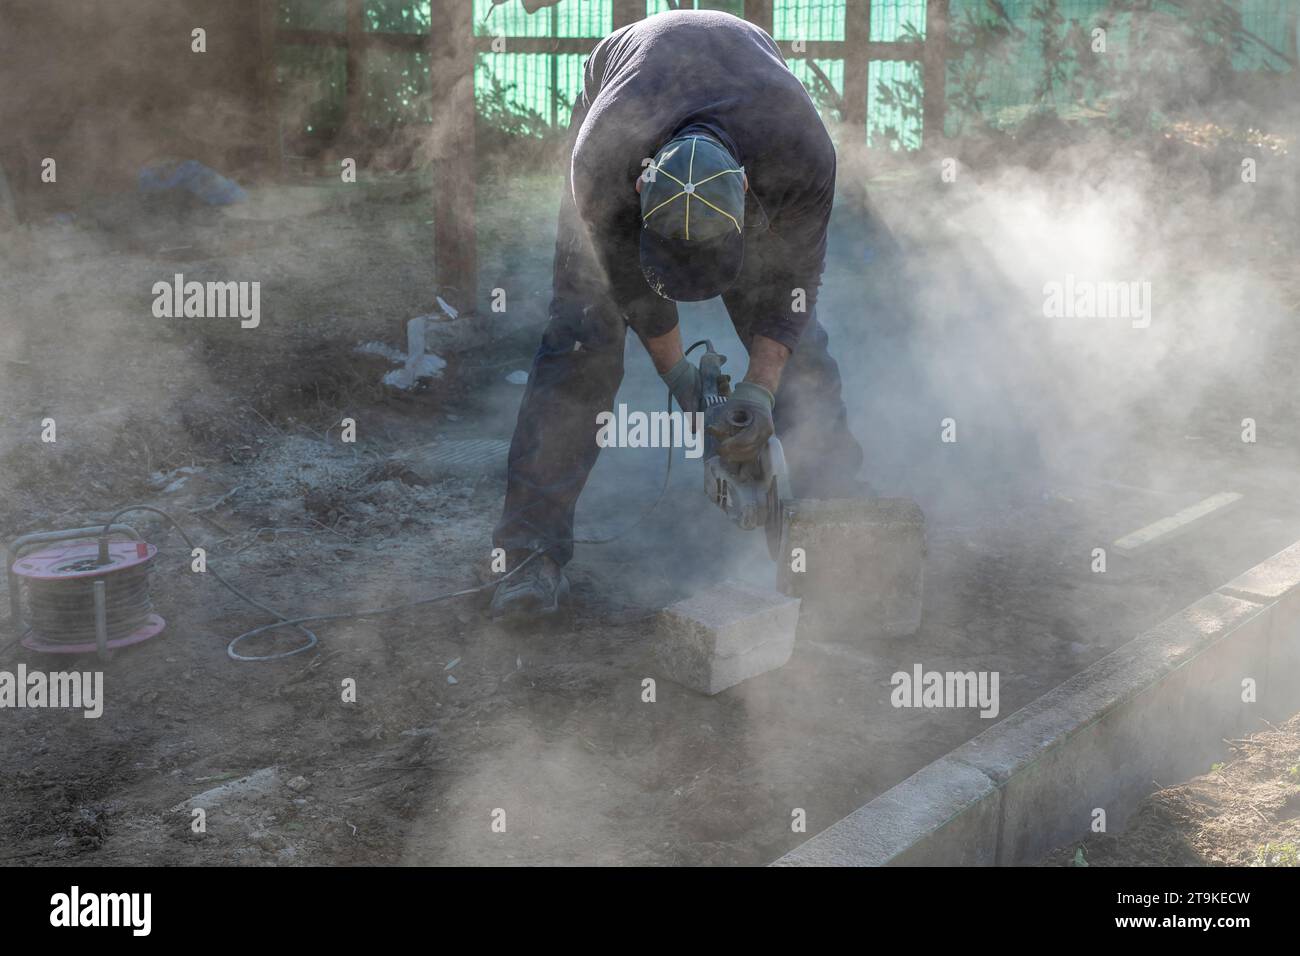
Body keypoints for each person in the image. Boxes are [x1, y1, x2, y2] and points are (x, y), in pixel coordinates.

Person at [491, 9, 864, 620]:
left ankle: (844, 526)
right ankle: (528, 556)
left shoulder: (801, 154)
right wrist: (685, 384)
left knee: (801, 355)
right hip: (622, 82)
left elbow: (794, 290)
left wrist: (761, 389)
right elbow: (631, 285)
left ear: (746, 192)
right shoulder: (605, 163)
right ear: (640, 191)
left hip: (755, 108)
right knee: (582, 340)